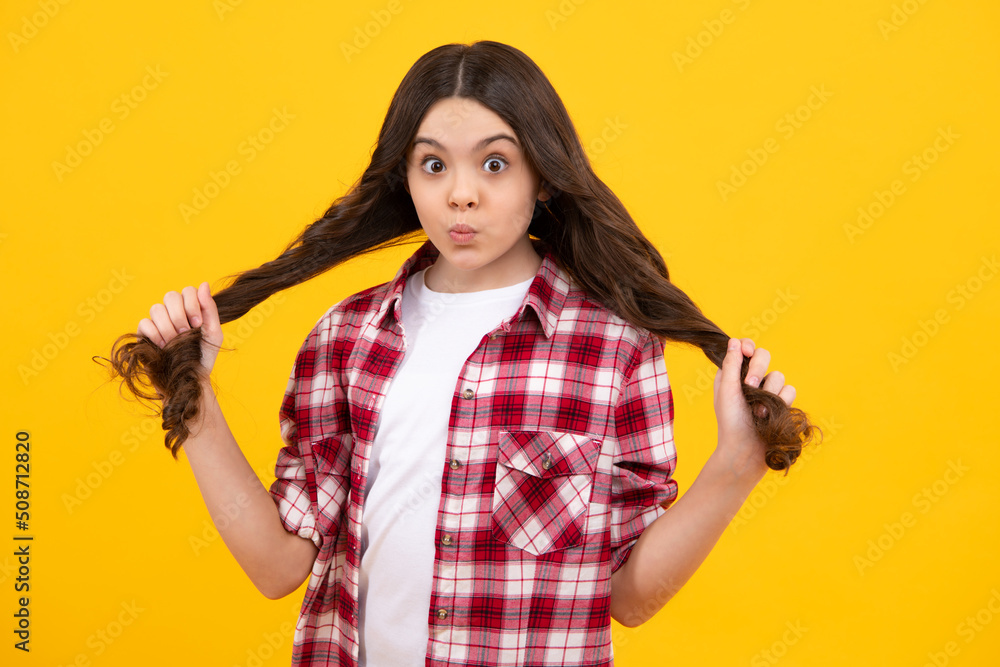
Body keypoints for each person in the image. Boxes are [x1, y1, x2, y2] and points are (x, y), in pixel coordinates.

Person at [99, 40, 820, 667]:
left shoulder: (614, 351)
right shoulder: (344, 338)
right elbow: (277, 564)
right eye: (434, 165)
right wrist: (186, 392)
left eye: (496, 164)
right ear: (404, 178)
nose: (462, 195)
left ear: (543, 176)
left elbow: (629, 595)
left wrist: (735, 466)